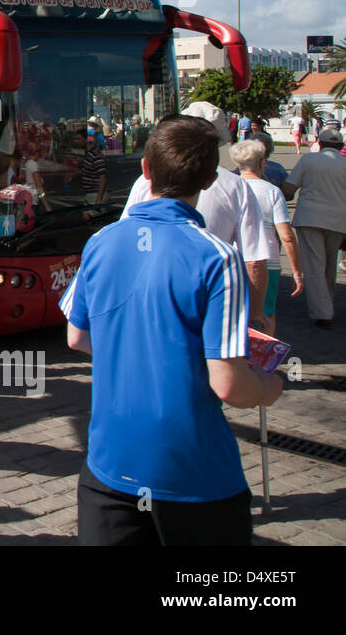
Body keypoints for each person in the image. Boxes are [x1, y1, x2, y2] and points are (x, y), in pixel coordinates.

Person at [61, 115, 283, 545]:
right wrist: (269, 387)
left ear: (146, 169)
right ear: (208, 178)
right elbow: (231, 385)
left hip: (109, 464)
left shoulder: (102, 240)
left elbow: (77, 336)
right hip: (192, 473)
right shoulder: (218, 258)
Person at [122, 104, 270, 310]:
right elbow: (253, 261)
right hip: (208, 302)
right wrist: (254, 315)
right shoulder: (236, 186)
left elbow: (125, 237)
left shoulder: (144, 180)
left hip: (148, 297)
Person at [230, 140, 303, 334]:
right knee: (266, 314)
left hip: (234, 260)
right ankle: (263, 362)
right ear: (262, 163)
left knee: (236, 314)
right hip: (267, 260)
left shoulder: (229, 188)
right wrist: (296, 270)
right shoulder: (272, 191)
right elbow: (286, 236)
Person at [282, 126, 346, 329]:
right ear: (341, 146)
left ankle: (323, 311)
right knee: (329, 265)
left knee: (314, 266)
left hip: (310, 217)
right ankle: (326, 304)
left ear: (321, 144)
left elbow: (290, 189)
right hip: (338, 220)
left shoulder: (309, 160)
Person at [80, 131, 107, 205]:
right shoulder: (89, 155)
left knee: (90, 214)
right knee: (86, 215)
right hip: (90, 193)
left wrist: (99, 198)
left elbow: (103, 178)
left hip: (94, 193)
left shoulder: (96, 156)